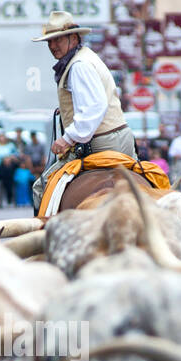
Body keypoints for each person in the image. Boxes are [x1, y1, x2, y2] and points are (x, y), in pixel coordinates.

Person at [29, 11, 136, 215]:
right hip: (123, 140)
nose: (52, 46)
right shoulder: (87, 57)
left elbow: (94, 107)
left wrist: (68, 138)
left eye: (57, 39)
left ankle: (44, 240)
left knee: (41, 186)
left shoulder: (78, 66)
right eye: (49, 41)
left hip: (99, 144)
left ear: (74, 37)